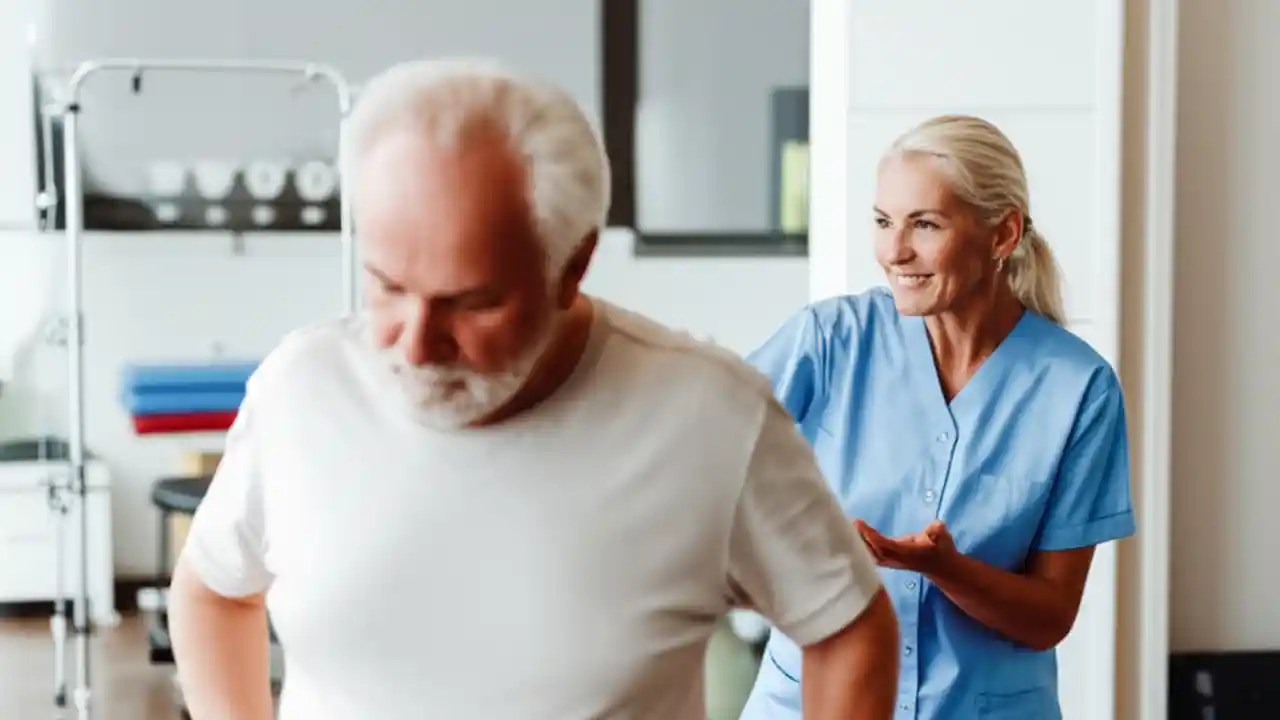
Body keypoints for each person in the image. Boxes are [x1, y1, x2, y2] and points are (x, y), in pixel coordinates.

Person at [167, 58, 899, 720]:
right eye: (387, 287)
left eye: (472, 302)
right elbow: (212, 589)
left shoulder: (711, 415)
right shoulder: (303, 388)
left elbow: (850, 627)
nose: (416, 343)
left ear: (572, 266)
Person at [738, 115, 1136, 720]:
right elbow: (699, 461)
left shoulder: (1078, 389)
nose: (894, 251)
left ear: (1002, 234)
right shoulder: (829, 340)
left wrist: (946, 570)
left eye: (924, 225)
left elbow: (1050, 616)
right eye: (883, 222)